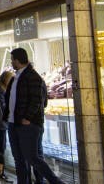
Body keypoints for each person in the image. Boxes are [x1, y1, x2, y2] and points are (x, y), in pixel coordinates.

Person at [5, 48, 65, 184]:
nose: (11, 62)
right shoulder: (16, 77)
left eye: (12, 59)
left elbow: (37, 100)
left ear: (18, 60)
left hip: (27, 125)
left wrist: (28, 118)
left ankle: (55, 181)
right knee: (19, 159)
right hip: (13, 123)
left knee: (32, 157)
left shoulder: (33, 77)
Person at [0, 70, 14, 181]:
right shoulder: (0, 90)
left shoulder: (0, 89)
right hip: (1, 124)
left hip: (2, 123)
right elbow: (3, 107)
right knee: (0, 147)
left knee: (1, 147)